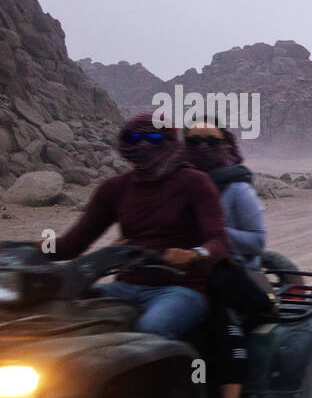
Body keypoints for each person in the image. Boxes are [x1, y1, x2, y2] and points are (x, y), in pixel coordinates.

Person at [50, 113, 228, 339]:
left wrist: (195, 254)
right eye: (134, 138)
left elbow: (219, 241)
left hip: (180, 289)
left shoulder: (195, 182)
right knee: (58, 317)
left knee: (150, 331)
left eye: (154, 138)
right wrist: (21, 251)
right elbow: (70, 246)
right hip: (125, 286)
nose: (143, 144)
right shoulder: (114, 188)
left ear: (170, 143)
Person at [186, 119, 270, 398]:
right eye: (194, 142)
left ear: (225, 145)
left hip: (234, 272)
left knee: (224, 321)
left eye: (211, 141)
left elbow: (257, 240)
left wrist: (214, 236)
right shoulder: (178, 182)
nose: (202, 148)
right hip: (184, 272)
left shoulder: (236, 188)